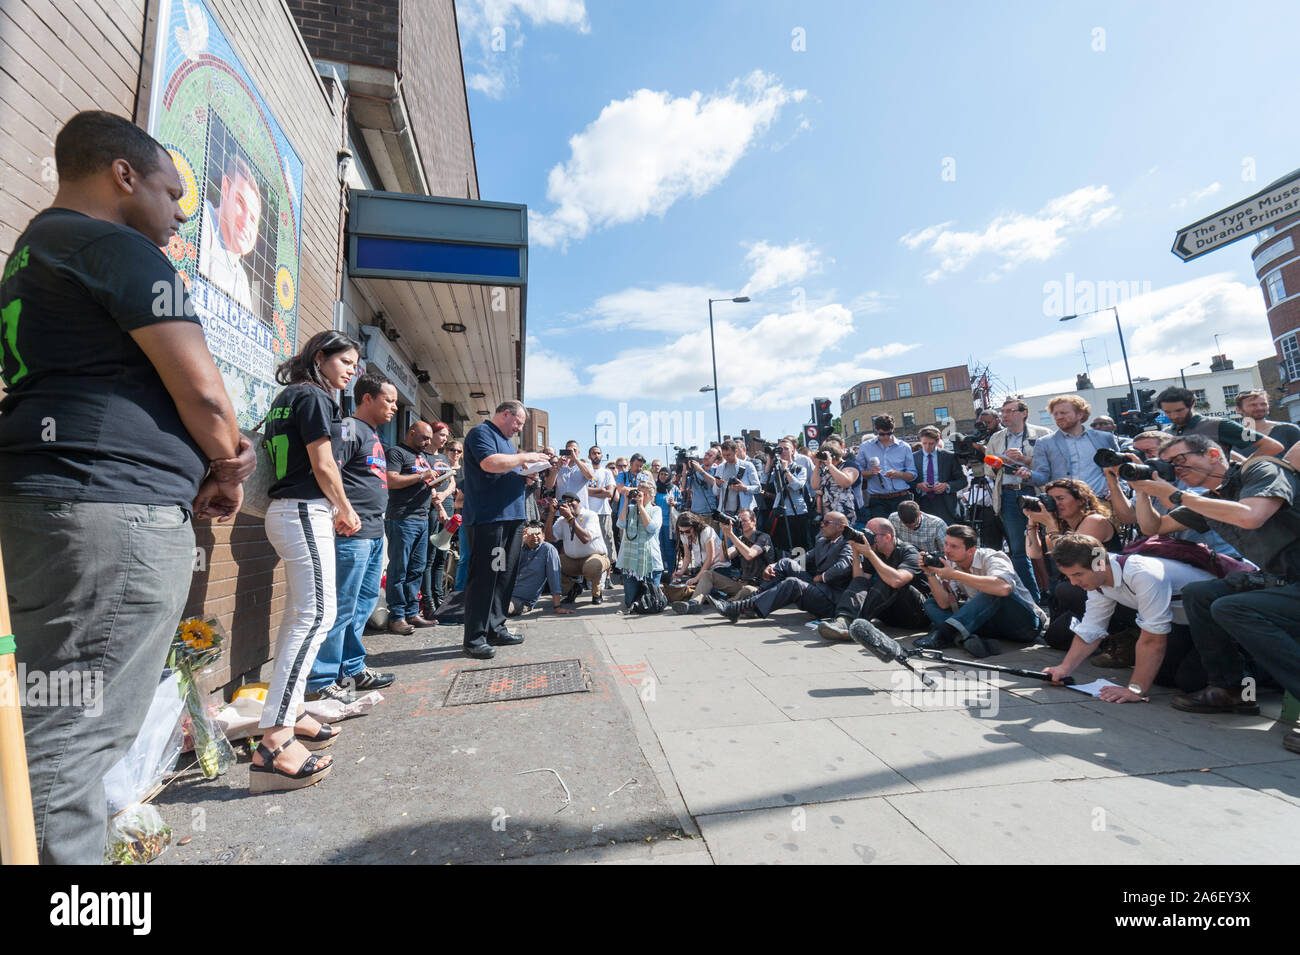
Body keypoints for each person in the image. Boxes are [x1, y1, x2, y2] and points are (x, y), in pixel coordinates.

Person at [0, 111, 253, 862]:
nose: (178, 212)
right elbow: (204, 392)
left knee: (53, 718)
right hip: (111, 509)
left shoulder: (35, 253)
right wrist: (227, 463)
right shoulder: (118, 247)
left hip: (59, 501)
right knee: (74, 739)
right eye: (172, 192)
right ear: (123, 174)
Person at [1129, 433, 1300, 752]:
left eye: (1180, 461)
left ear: (1211, 454)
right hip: (1279, 579)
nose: (1175, 470)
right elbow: (1153, 529)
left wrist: (1179, 496)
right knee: (1199, 594)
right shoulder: (1211, 498)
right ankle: (1228, 688)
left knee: (1232, 608)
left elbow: (1251, 515)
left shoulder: (1261, 469)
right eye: (1170, 464)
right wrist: (1141, 490)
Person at [257, 330, 362, 792]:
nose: (352, 370)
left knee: (301, 616)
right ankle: (274, 741)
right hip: (303, 510)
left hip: (289, 512)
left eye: (356, 364)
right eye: (346, 361)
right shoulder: (315, 398)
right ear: (320, 357)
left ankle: (294, 712)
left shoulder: (290, 395)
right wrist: (345, 508)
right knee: (319, 615)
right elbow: (324, 466)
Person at [306, 372, 398, 705]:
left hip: (374, 533)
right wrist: (339, 512)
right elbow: (329, 470)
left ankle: (352, 669)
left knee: (363, 606)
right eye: (389, 400)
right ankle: (322, 679)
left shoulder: (374, 436)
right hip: (351, 534)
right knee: (342, 607)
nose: (394, 408)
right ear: (367, 398)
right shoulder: (347, 427)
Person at [1042, 534, 1214, 701]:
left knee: (1191, 681)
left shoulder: (1142, 574)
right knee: (1163, 677)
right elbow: (1091, 628)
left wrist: (1135, 689)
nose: (1073, 583)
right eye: (1069, 576)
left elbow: (1153, 639)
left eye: (1078, 574)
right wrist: (1064, 669)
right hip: (1184, 622)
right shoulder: (1098, 578)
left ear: (1100, 563)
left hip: (1216, 623)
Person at [462, 401, 551, 658]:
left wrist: (526, 474)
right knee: (484, 578)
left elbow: (504, 469)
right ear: (505, 414)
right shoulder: (481, 433)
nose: (519, 428)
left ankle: (495, 627)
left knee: (503, 576)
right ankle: (475, 637)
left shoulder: (506, 443)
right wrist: (525, 457)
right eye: (518, 423)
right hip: (490, 520)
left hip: (511, 518)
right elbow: (489, 464)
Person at [915, 524, 1048, 658]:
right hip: (992, 623)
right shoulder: (952, 564)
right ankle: (967, 638)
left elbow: (1003, 588)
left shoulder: (993, 557)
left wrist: (954, 574)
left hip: (1025, 625)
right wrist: (930, 574)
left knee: (992, 589)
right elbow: (945, 604)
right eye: (946, 544)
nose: (947, 550)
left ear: (971, 550)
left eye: (954, 546)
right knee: (930, 604)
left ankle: (946, 634)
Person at [1023, 478, 1120, 650]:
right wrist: (1032, 523)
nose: (1055, 504)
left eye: (1060, 498)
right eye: (1051, 499)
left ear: (1081, 500)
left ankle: (1114, 635)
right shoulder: (1063, 530)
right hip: (1080, 592)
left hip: (1109, 589)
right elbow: (1033, 553)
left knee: (1064, 589)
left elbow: (1072, 554)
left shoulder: (1095, 521)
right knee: (1055, 638)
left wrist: (1051, 525)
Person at [708, 511, 854, 623]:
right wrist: (774, 565)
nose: (821, 525)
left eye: (826, 523)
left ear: (841, 527)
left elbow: (845, 565)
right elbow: (802, 559)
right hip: (818, 588)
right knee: (785, 563)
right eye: (822, 522)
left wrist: (822, 577)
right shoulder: (823, 542)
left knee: (792, 583)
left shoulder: (848, 543)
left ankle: (737, 607)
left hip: (830, 599)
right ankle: (751, 602)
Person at [818, 518, 930, 640]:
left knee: (888, 579)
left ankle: (854, 626)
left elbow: (897, 581)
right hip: (892, 616)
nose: (867, 538)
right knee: (863, 581)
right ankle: (844, 619)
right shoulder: (876, 551)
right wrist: (856, 551)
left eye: (870, 534)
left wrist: (870, 554)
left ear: (887, 537)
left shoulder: (909, 553)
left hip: (918, 616)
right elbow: (859, 578)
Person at [383, 421, 436, 635]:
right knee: (399, 569)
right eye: (424, 438)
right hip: (402, 518)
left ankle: (412, 612)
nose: (428, 442)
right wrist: (422, 476)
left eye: (430, 439)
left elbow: (418, 482)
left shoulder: (422, 457)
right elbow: (391, 480)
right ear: (411, 433)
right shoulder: (396, 453)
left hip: (422, 518)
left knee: (416, 569)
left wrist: (433, 482)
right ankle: (396, 617)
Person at [198, 153, 260, 315]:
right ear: (225, 188)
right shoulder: (202, 220)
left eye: (253, 219)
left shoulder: (241, 277)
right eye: (240, 202)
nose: (246, 221)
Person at [1029, 395, 1121, 497]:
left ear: (1080, 415)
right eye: (1055, 414)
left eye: (1063, 413)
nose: (1059, 417)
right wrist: (1029, 474)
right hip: (1066, 505)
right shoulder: (1044, 443)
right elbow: (1043, 477)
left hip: (1102, 500)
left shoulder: (1104, 438)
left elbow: (1119, 467)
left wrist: (1120, 490)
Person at [1157, 386, 1284, 459]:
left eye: (1179, 410)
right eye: (1168, 412)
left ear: (1192, 404)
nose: (1174, 416)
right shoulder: (1165, 434)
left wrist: (1244, 469)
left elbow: (1272, 446)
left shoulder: (1219, 425)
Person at [419, 421, 456, 618]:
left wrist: (445, 496)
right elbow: (428, 484)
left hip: (447, 506)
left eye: (445, 436)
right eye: (441, 434)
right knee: (429, 556)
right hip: (434, 510)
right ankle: (428, 602)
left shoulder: (442, 457)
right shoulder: (423, 456)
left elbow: (452, 481)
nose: (444, 439)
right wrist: (439, 504)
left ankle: (440, 598)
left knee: (442, 555)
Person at [548, 493, 609, 605]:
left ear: (579, 502)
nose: (569, 504)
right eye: (565, 502)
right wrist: (551, 514)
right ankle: (573, 589)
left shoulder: (590, 515)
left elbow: (585, 538)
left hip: (595, 557)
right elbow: (548, 538)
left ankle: (597, 593)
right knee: (551, 563)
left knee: (592, 566)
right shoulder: (562, 520)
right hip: (572, 560)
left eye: (571, 501)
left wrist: (570, 518)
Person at [856, 414, 916, 522]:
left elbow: (913, 474)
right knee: (880, 533)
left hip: (901, 497)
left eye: (889, 433)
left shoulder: (904, 447)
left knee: (904, 531)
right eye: (882, 434)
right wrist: (871, 472)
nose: (886, 437)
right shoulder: (865, 447)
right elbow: (857, 472)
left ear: (893, 429)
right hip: (877, 500)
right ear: (876, 429)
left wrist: (899, 474)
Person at [617, 472, 664, 607]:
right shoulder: (630, 508)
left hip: (650, 564)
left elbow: (650, 527)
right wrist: (626, 502)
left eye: (644, 495)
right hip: (630, 564)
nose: (640, 497)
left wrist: (641, 507)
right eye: (638, 493)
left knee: (652, 601)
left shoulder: (656, 510)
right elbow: (620, 524)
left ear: (652, 496)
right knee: (630, 603)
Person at [508, 522, 574, 617]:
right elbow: (507, 568)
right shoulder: (520, 548)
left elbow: (554, 578)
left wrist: (557, 607)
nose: (534, 536)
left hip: (521, 601)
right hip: (503, 595)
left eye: (537, 533)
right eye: (531, 533)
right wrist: (520, 543)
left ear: (543, 535)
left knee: (497, 608)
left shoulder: (548, 550)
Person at [665, 511, 729, 602]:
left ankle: (695, 602)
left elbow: (710, 558)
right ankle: (698, 598)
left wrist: (696, 578)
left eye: (687, 531)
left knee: (706, 588)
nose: (685, 534)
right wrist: (681, 571)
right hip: (701, 568)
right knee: (686, 586)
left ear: (694, 525)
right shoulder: (684, 534)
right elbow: (687, 556)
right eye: (681, 531)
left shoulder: (706, 531)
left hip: (718, 567)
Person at [762, 437, 811, 554]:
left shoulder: (800, 469)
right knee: (780, 544)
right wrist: (770, 458)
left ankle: (799, 569)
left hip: (796, 511)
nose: (783, 451)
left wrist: (786, 469)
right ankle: (782, 568)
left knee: (798, 545)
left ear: (793, 451)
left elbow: (796, 486)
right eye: (780, 449)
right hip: (779, 511)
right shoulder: (775, 468)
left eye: (786, 449)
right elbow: (764, 480)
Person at [911, 425, 966, 525]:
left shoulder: (949, 457)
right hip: (922, 502)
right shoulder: (913, 458)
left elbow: (962, 481)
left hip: (945, 502)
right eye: (924, 443)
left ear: (937, 441)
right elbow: (908, 481)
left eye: (931, 444)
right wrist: (918, 486)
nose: (927, 447)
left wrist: (946, 486)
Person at [810, 439, 859, 526]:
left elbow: (845, 482)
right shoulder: (824, 469)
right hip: (827, 514)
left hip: (845, 513)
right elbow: (815, 486)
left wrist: (830, 465)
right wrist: (817, 465)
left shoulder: (849, 465)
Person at [587, 445, 617, 586]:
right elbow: (583, 491)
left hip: (604, 512)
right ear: (589, 456)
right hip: (588, 513)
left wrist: (590, 491)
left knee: (607, 544)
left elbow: (609, 493)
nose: (596, 455)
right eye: (593, 453)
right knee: (590, 545)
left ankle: (609, 577)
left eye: (598, 453)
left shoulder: (606, 472)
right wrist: (601, 490)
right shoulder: (585, 470)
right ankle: (589, 577)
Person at [1235, 389, 1300, 452]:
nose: (1259, 408)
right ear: (1239, 409)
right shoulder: (1233, 438)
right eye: (1253, 405)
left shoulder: (1288, 430)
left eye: (1263, 404)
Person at [653, 465, 681, 579]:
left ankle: (671, 573)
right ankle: (659, 573)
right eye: (661, 474)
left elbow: (682, 502)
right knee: (658, 548)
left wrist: (674, 503)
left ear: (669, 476)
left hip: (669, 524)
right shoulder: (654, 488)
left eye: (665, 474)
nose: (663, 476)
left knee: (670, 548)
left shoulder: (674, 488)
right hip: (656, 523)